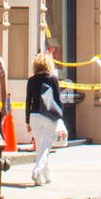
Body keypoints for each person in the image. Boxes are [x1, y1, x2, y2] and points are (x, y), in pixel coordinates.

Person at [25, 52, 63, 187]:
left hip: (34, 115)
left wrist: (27, 121)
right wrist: (60, 116)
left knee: (40, 146)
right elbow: (58, 99)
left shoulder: (31, 80)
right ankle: (37, 170)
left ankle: (46, 175)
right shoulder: (52, 79)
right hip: (48, 115)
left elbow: (28, 101)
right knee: (46, 146)